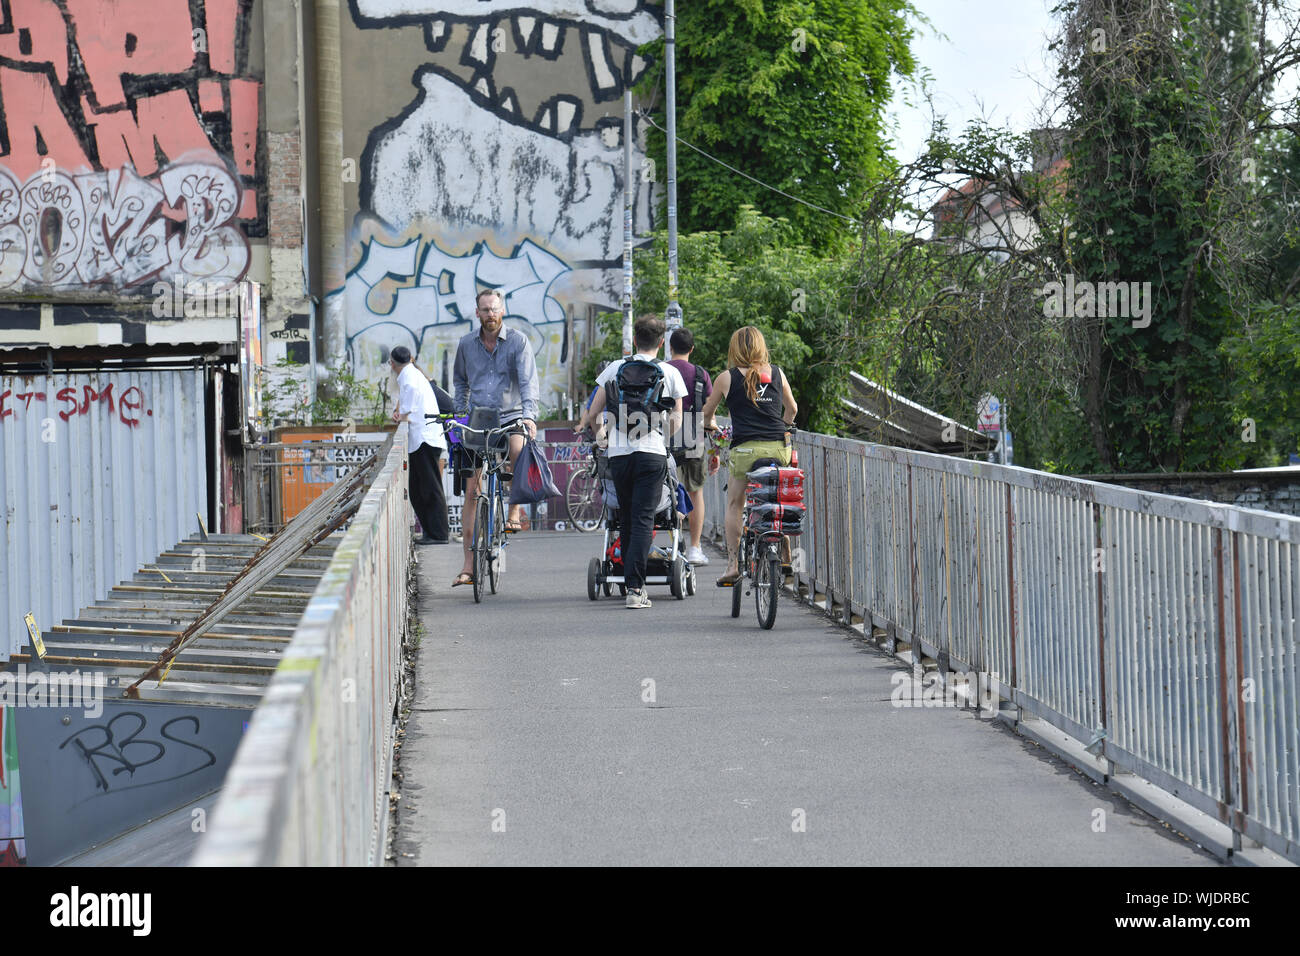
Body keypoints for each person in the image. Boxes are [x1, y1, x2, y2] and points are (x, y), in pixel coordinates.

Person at [577, 315, 686, 609]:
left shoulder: (615, 368)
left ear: (635, 339)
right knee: (642, 520)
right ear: (661, 342)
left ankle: (629, 582)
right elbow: (677, 419)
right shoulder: (669, 372)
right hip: (651, 452)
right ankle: (636, 590)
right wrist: (663, 435)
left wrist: (602, 435)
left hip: (619, 455)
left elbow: (593, 412)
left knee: (625, 517)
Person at [451, 289, 540, 587]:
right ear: (476, 313)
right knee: (472, 491)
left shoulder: (518, 341)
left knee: (518, 446)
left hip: (511, 414)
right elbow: (460, 382)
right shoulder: (466, 344)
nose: (490, 314)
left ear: (503, 310)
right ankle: (467, 566)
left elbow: (528, 383)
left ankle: (515, 509)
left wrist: (529, 416)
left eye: (494, 309)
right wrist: (459, 415)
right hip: (478, 420)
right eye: (485, 310)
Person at [699, 326, 798, 586]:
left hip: (744, 450)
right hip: (778, 447)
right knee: (778, 497)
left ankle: (733, 565)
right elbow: (792, 409)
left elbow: (707, 413)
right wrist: (784, 426)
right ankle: (781, 536)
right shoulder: (777, 373)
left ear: (735, 349)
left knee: (735, 504)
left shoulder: (726, 378)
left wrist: (710, 425)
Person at [665, 327, 717, 566]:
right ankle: (695, 548)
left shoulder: (661, 369)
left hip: (663, 437)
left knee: (662, 492)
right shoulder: (700, 374)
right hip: (694, 438)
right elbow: (709, 412)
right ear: (692, 349)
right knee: (696, 492)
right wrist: (714, 446)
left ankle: (668, 544)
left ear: (670, 347)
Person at [390, 345, 449, 544]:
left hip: (424, 438)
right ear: (412, 358)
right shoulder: (413, 373)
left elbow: (411, 397)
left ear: (392, 363)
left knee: (429, 487)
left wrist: (403, 413)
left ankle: (438, 534)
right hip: (424, 437)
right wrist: (404, 413)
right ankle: (431, 532)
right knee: (417, 488)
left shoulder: (409, 376)